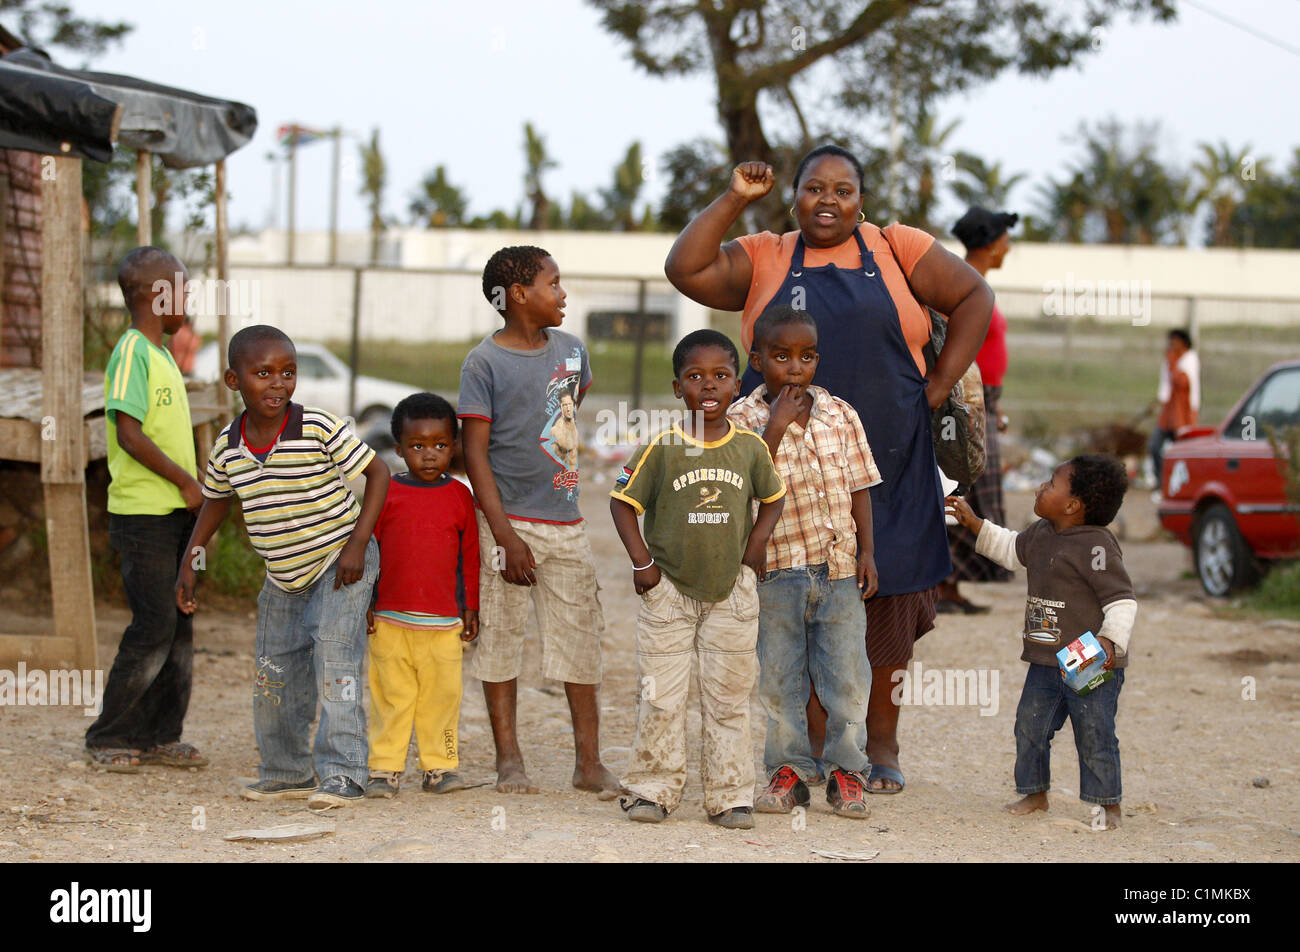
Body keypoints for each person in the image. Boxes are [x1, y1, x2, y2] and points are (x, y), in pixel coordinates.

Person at [664, 144, 993, 794]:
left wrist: (940, 382)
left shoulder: (898, 247)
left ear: (862, 199)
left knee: (890, 610)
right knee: (796, 607)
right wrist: (734, 199)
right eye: (815, 188)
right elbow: (685, 267)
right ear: (794, 197)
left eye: (844, 190)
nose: (828, 201)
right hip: (783, 476)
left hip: (888, 466)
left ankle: (883, 744)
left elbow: (975, 297)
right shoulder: (766, 254)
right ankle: (810, 752)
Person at [175, 324, 390, 810]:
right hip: (282, 577)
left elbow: (377, 472)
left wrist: (358, 544)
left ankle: (344, 774)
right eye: (263, 373)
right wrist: (190, 560)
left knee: (334, 662)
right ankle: (286, 772)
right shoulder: (228, 444)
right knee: (274, 673)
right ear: (234, 381)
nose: (278, 383)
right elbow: (214, 502)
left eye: (287, 373)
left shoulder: (316, 425)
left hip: (341, 561)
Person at [458, 245, 619, 796]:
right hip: (507, 524)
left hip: (566, 522)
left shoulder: (573, 351)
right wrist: (503, 535)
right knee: (501, 639)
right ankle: (509, 760)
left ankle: (589, 764)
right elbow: (474, 454)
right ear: (519, 295)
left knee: (581, 639)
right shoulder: (484, 363)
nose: (563, 293)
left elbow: (568, 409)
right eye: (554, 283)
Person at [610, 330, 785, 828]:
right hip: (668, 594)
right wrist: (643, 565)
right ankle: (651, 790)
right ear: (677, 388)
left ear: (736, 384)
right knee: (661, 696)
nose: (708, 386)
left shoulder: (750, 448)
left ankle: (730, 796)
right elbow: (623, 504)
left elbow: (772, 498)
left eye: (720, 376)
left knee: (728, 698)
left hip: (731, 594)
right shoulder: (663, 447)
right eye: (695, 377)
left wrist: (754, 551)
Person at [726, 306, 879, 818]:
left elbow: (860, 488)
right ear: (756, 359)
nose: (795, 367)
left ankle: (847, 773)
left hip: (838, 569)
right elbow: (743, 482)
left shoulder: (842, 414)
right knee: (779, 677)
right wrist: (776, 425)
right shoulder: (742, 419)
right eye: (781, 356)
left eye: (806, 356)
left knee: (848, 677)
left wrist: (868, 554)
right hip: (776, 570)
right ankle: (788, 771)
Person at [946, 454, 1135, 829]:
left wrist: (1111, 642)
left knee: (1094, 730)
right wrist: (974, 524)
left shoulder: (1097, 546)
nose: (1039, 487)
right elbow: (1010, 550)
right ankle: (1034, 792)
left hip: (1089, 659)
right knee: (1029, 726)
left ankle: (1106, 803)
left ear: (1072, 505)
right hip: (1046, 659)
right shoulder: (1041, 533)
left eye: (1050, 484)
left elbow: (1122, 600)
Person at [85, 247, 206, 772]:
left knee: (178, 626)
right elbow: (128, 433)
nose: (189, 298)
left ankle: (160, 735)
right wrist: (185, 482)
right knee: (153, 625)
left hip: (174, 514)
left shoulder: (161, 356)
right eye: (182, 288)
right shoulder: (132, 352)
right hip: (144, 517)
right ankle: (109, 735)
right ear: (159, 295)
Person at [364, 393, 479, 799]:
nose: (429, 455)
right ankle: (384, 769)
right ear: (398, 449)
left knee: (442, 698)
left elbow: (470, 558)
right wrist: (365, 603)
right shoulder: (385, 494)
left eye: (440, 446)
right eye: (417, 447)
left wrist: (471, 608)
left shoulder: (460, 497)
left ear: (454, 446)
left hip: (443, 622)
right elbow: (370, 551)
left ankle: (440, 766)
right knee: (390, 697)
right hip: (390, 620)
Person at [938, 206, 1020, 614]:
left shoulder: (975, 283)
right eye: (1006, 237)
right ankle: (940, 583)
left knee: (976, 492)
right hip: (965, 402)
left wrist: (996, 405)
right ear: (990, 243)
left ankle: (949, 585)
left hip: (984, 401)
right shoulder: (959, 284)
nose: (1010, 246)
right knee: (965, 488)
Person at [1149, 329, 1199, 493]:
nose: (1171, 345)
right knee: (1155, 445)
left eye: (1175, 341)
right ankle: (1161, 482)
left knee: (1183, 450)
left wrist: (1172, 364)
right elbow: (1165, 384)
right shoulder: (1169, 359)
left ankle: (1182, 484)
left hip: (1183, 413)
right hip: (1168, 412)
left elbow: (1183, 383)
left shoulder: (1189, 359)